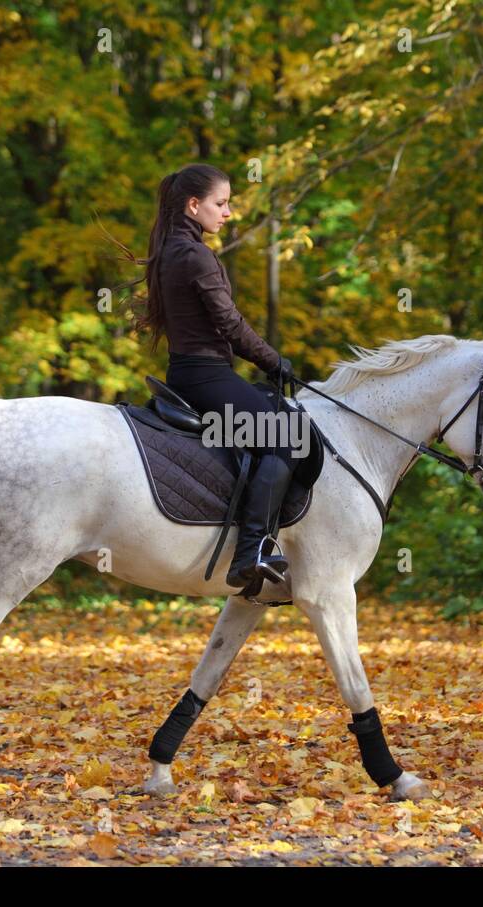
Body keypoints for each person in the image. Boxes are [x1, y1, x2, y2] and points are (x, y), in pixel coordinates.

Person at [133, 163, 296, 589]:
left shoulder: (171, 250)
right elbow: (229, 323)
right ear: (193, 205)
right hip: (206, 376)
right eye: (220, 204)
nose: (228, 213)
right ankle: (251, 551)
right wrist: (273, 361)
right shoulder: (195, 255)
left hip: (187, 373)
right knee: (284, 437)